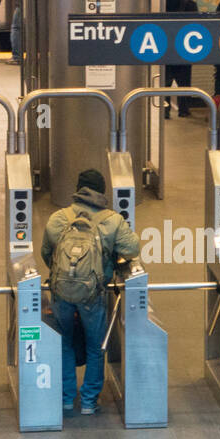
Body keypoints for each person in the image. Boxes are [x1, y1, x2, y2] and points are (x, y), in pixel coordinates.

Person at [41, 169, 140, 416]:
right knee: (96, 346)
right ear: (102, 191)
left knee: (64, 342)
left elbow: (46, 252)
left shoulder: (58, 218)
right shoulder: (112, 220)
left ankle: (65, 398)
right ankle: (88, 401)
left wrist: (64, 277)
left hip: (62, 293)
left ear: (78, 189)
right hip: (93, 295)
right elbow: (132, 248)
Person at [164, 0, 198, 118]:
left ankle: (165, 110)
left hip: (166, 46)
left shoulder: (163, 2)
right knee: (184, 81)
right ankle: (183, 110)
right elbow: (196, 26)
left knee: (165, 81)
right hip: (184, 47)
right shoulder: (190, 4)